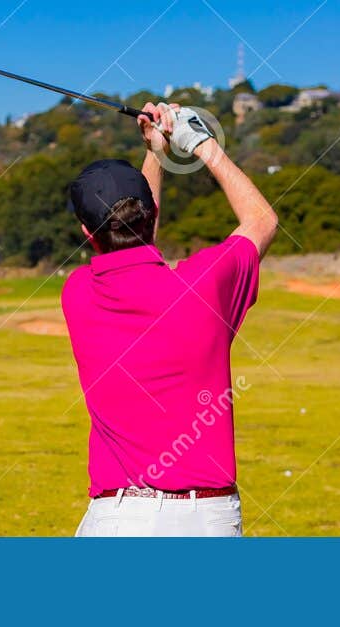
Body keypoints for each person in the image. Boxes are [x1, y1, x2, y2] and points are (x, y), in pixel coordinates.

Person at [63, 102, 278, 537]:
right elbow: (262, 220)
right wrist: (201, 145)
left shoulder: (78, 293)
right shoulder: (206, 284)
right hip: (209, 518)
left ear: (87, 233)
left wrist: (155, 154)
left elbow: (133, 241)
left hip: (119, 516)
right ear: (154, 216)